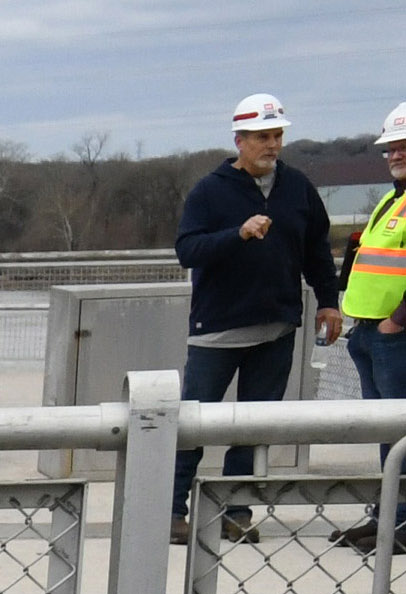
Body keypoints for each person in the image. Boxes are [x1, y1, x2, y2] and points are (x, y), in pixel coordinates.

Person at [170, 93, 345, 544]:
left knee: (251, 428)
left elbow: (316, 249)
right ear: (240, 140)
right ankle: (172, 512)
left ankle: (236, 512)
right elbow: (187, 250)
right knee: (192, 426)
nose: (272, 145)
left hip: (277, 329)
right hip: (218, 331)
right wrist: (237, 234)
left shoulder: (298, 186)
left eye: (278, 136)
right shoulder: (210, 191)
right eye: (262, 137)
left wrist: (328, 300)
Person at [334, 102, 406, 552]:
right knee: (387, 431)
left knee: (400, 430)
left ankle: (400, 521)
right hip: (369, 333)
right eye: (390, 148)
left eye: (404, 147)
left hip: (393, 336)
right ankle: (388, 513)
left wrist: (395, 323)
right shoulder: (391, 199)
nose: (396, 155)